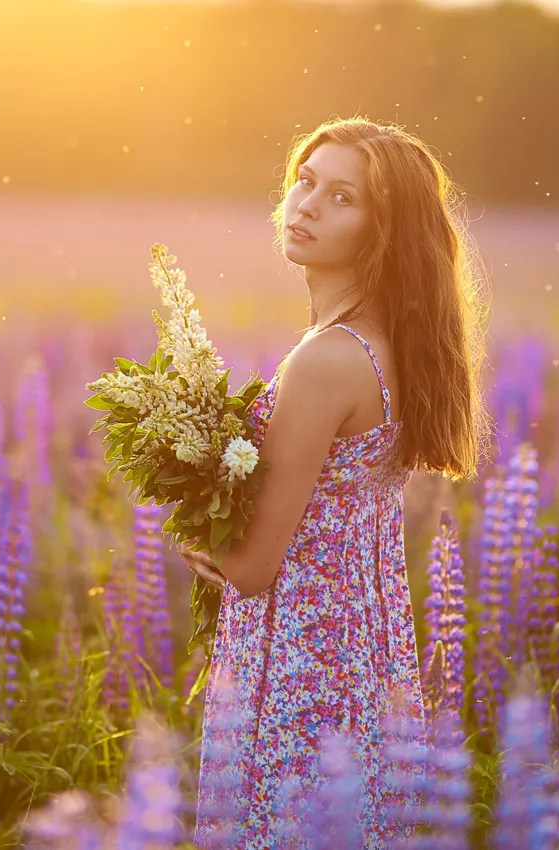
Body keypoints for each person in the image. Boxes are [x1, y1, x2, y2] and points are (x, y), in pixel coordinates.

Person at [180, 116, 494, 848]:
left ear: (382, 232)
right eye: (305, 180)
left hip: (300, 663)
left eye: (341, 196)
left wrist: (193, 523)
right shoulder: (384, 348)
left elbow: (254, 568)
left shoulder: (325, 361)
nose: (308, 204)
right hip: (365, 652)